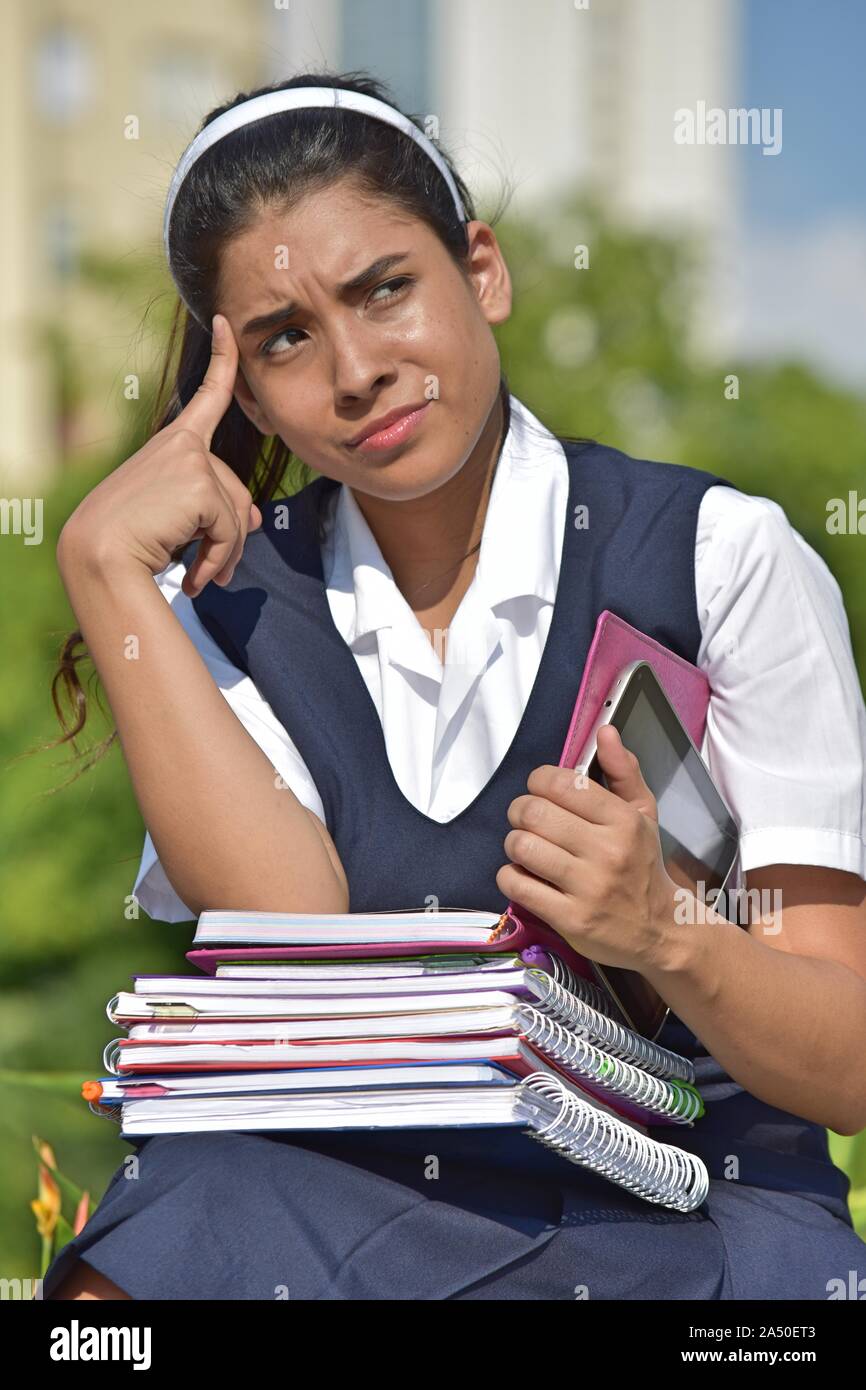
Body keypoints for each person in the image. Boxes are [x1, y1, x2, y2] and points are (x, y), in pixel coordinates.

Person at [42, 71, 866, 1301]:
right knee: (128, 1280)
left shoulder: (717, 554)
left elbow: (845, 1059)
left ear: (480, 270)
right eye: (284, 338)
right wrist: (103, 571)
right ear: (244, 388)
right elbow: (297, 943)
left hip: (696, 1190)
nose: (357, 369)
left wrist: (664, 934)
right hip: (345, 1193)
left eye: (385, 290)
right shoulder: (219, 604)